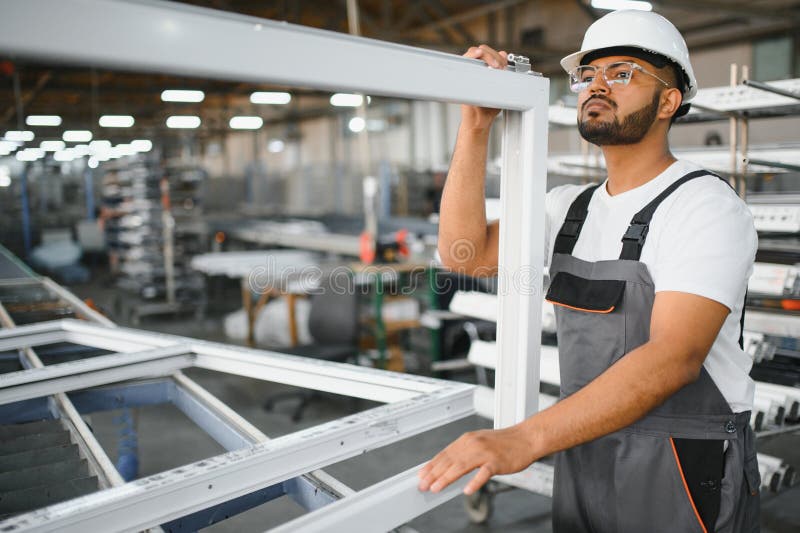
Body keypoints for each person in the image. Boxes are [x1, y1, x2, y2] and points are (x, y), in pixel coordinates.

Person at [418, 10, 760, 533]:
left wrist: (524, 438)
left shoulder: (704, 207)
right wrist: (475, 125)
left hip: (682, 466)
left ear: (669, 100)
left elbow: (673, 358)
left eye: (622, 73)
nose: (597, 85)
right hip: (582, 447)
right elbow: (464, 255)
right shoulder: (567, 209)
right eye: (589, 75)